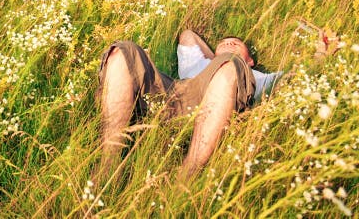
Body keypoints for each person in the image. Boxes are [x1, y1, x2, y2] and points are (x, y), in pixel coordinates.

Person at [97, 29, 282, 180]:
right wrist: (216, 58)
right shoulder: (199, 61)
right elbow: (188, 35)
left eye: (236, 43)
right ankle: (108, 164)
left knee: (232, 63)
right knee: (123, 50)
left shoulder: (263, 77)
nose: (229, 43)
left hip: (214, 103)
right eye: (225, 41)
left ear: (251, 61)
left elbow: (295, 74)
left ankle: (186, 177)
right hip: (175, 93)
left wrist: (228, 60)